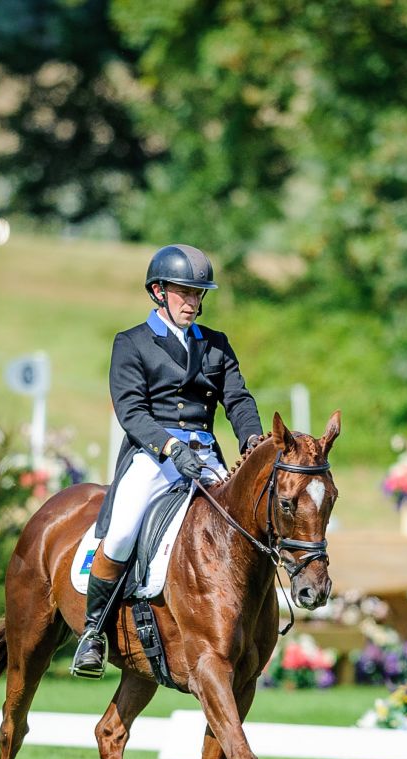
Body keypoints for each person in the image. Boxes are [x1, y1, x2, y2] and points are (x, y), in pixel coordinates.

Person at [72, 243, 265, 678]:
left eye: (198, 294)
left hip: (205, 457)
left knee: (248, 520)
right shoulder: (132, 343)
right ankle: (93, 632)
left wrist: (252, 440)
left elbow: (237, 399)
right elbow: (131, 410)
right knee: (122, 531)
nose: (193, 302)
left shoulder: (216, 345)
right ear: (158, 291)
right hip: (153, 455)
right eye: (184, 292)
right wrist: (170, 448)